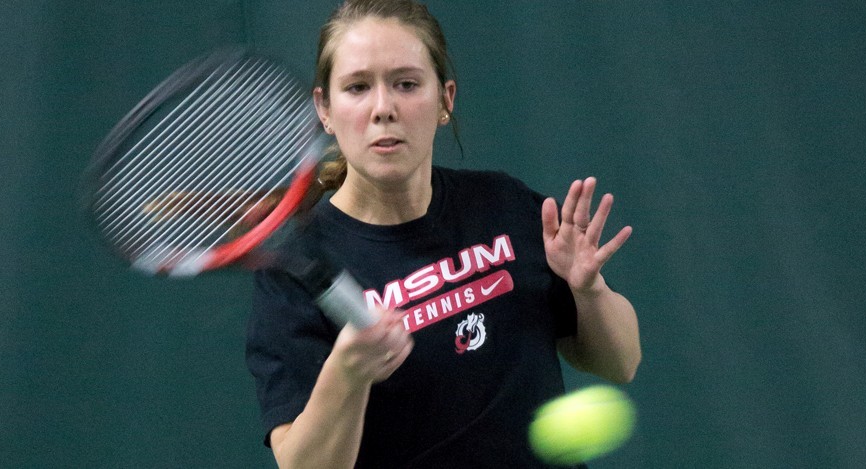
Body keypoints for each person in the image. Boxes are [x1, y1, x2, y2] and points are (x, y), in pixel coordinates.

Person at [245, 0, 641, 467]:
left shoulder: (506, 206)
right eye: (356, 87)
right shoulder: (293, 272)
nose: (383, 108)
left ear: (445, 100)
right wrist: (346, 374)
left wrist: (588, 290)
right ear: (324, 110)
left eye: (407, 84)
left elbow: (620, 363)